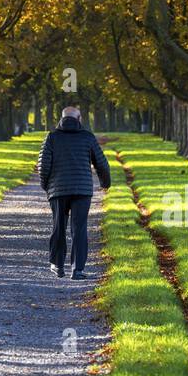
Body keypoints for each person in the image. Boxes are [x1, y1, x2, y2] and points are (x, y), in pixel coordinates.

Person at [37, 104, 110, 279]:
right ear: (79, 119)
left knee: (59, 226)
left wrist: (46, 185)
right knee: (79, 228)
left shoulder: (52, 137)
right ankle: (77, 270)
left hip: (58, 190)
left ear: (61, 119)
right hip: (82, 190)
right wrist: (105, 182)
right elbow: (101, 163)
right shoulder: (87, 137)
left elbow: (43, 165)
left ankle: (57, 265)